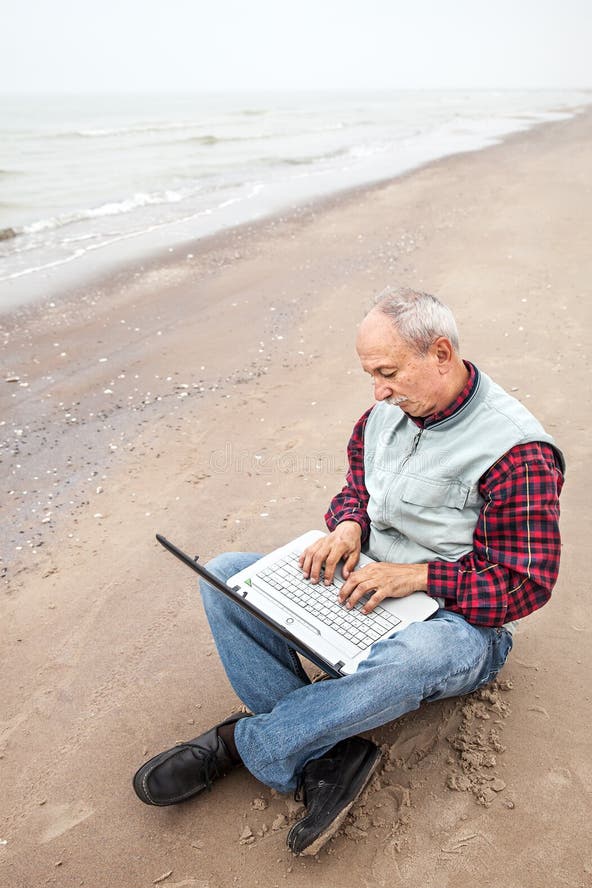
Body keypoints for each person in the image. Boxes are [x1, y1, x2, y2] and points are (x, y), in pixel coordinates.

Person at [133, 287, 565, 856]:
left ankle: (247, 745)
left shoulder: (517, 451)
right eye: (371, 375)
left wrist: (419, 578)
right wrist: (347, 527)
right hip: (365, 584)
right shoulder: (380, 416)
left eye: (388, 372)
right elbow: (356, 491)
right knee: (225, 576)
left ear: (441, 353)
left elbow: (525, 584)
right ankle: (331, 751)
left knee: (413, 661)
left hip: (456, 623)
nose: (378, 391)